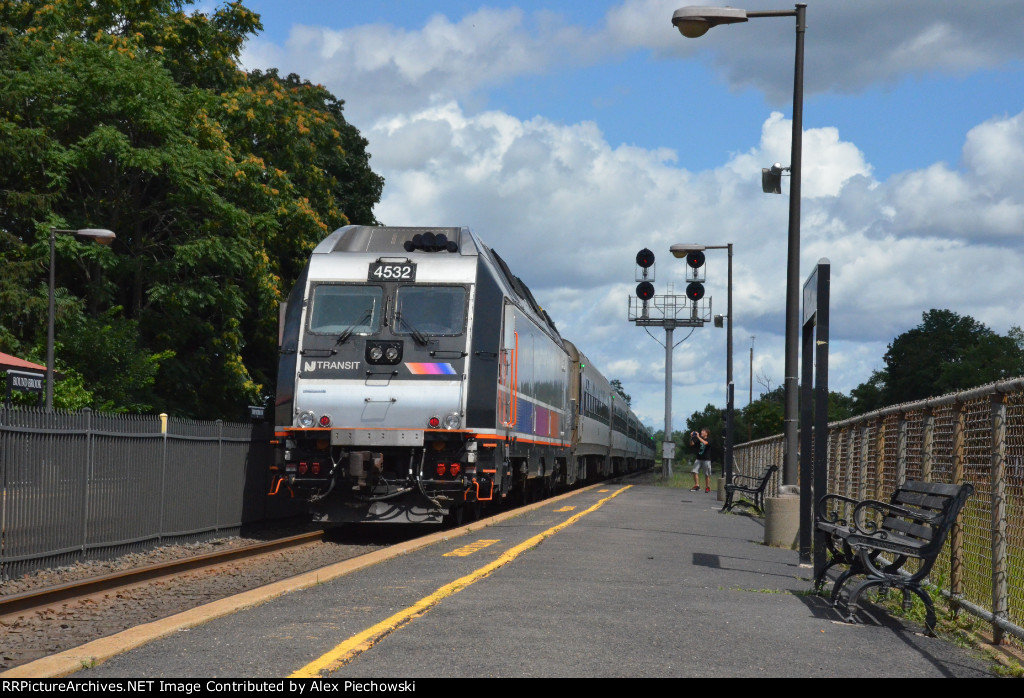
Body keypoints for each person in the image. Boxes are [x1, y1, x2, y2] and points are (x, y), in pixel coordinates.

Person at [689, 428, 713, 493]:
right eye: (701, 431)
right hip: (698, 458)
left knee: (707, 474)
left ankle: (707, 487)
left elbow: (705, 443)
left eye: (703, 431)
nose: (701, 432)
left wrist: (698, 436)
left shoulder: (709, 439)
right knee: (694, 471)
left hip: (706, 459)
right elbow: (692, 444)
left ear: (706, 433)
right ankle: (697, 485)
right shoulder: (699, 440)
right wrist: (691, 437)